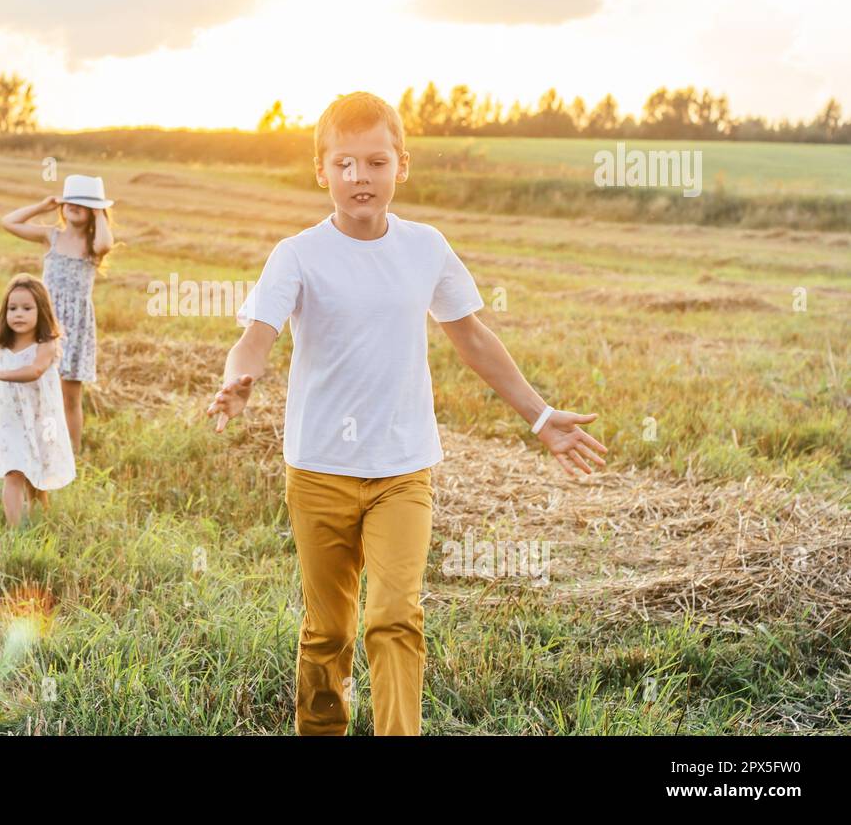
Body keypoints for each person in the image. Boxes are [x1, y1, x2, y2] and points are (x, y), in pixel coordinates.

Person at [205, 91, 608, 735]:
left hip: (403, 470)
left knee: (394, 618)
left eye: (375, 162)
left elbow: (472, 336)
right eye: (343, 164)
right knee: (328, 631)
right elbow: (256, 334)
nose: (359, 178)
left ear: (402, 165)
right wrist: (239, 379)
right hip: (318, 469)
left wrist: (540, 416)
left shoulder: (426, 247)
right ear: (321, 171)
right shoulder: (298, 254)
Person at [0, 174, 114, 455]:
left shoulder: (92, 245)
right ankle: (39, 446)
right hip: (46, 322)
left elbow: (105, 245)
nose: (74, 206)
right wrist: (43, 205)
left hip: (76, 326)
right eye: (70, 201)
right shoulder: (51, 236)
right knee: (38, 386)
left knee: (69, 396)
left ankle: (71, 455)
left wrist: (99, 212)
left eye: (84, 204)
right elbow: (8, 222)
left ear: (94, 212)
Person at [0, 274, 76, 528]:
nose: (18, 314)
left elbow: (33, 372)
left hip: (41, 419)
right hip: (10, 420)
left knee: (38, 471)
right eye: (12, 308)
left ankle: (40, 513)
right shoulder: (4, 344)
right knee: (14, 472)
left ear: (41, 310)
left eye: (26, 308)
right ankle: (15, 532)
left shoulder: (46, 344)